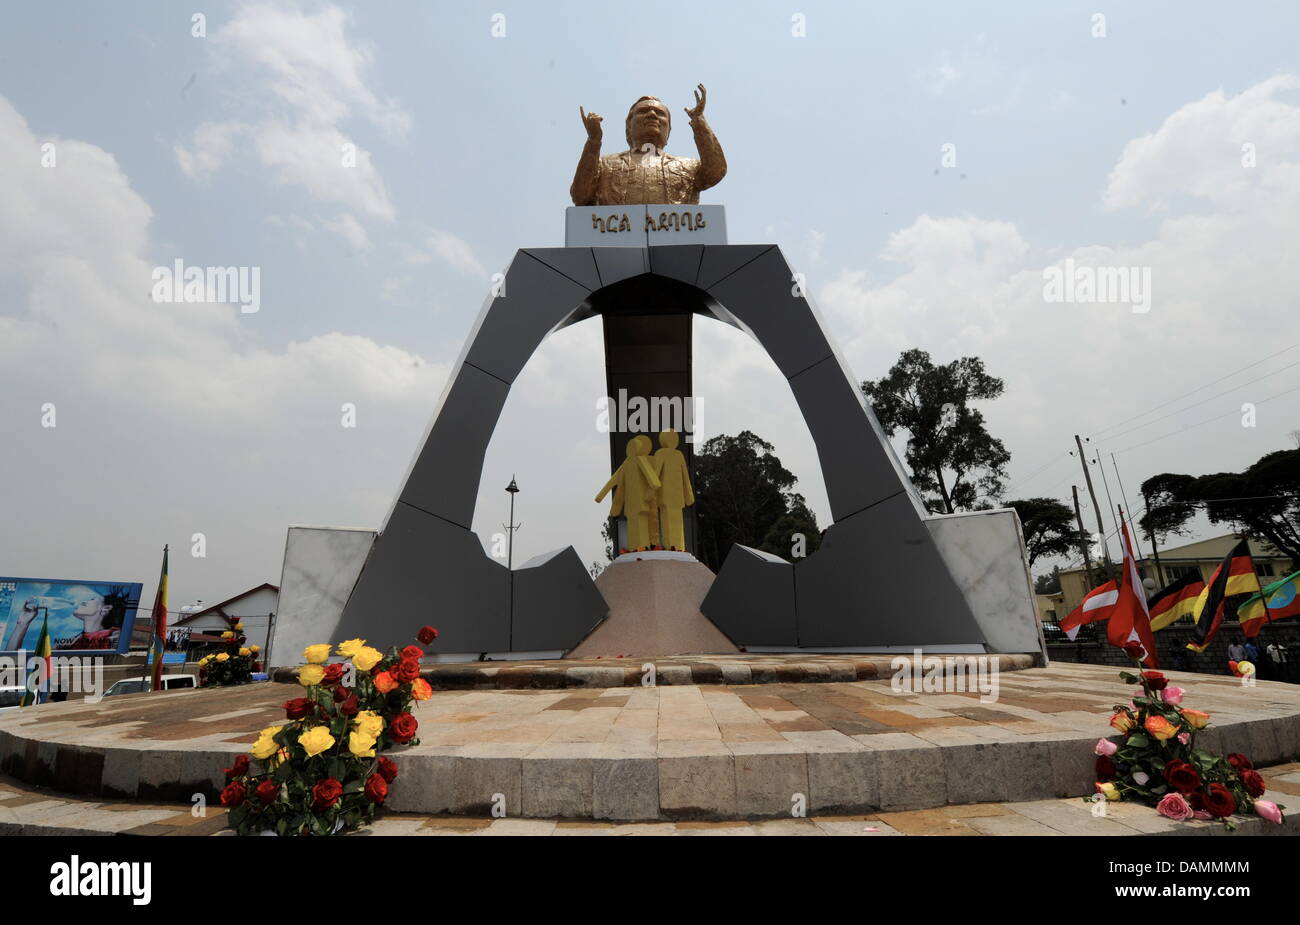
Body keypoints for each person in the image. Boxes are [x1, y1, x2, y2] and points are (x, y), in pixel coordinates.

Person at [571, 86, 726, 206]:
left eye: (660, 113)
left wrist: (699, 121)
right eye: (643, 111)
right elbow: (580, 196)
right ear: (628, 127)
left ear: (669, 130)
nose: (652, 114)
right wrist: (594, 141)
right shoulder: (604, 165)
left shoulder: (688, 167)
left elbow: (715, 172)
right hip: (616, 239)